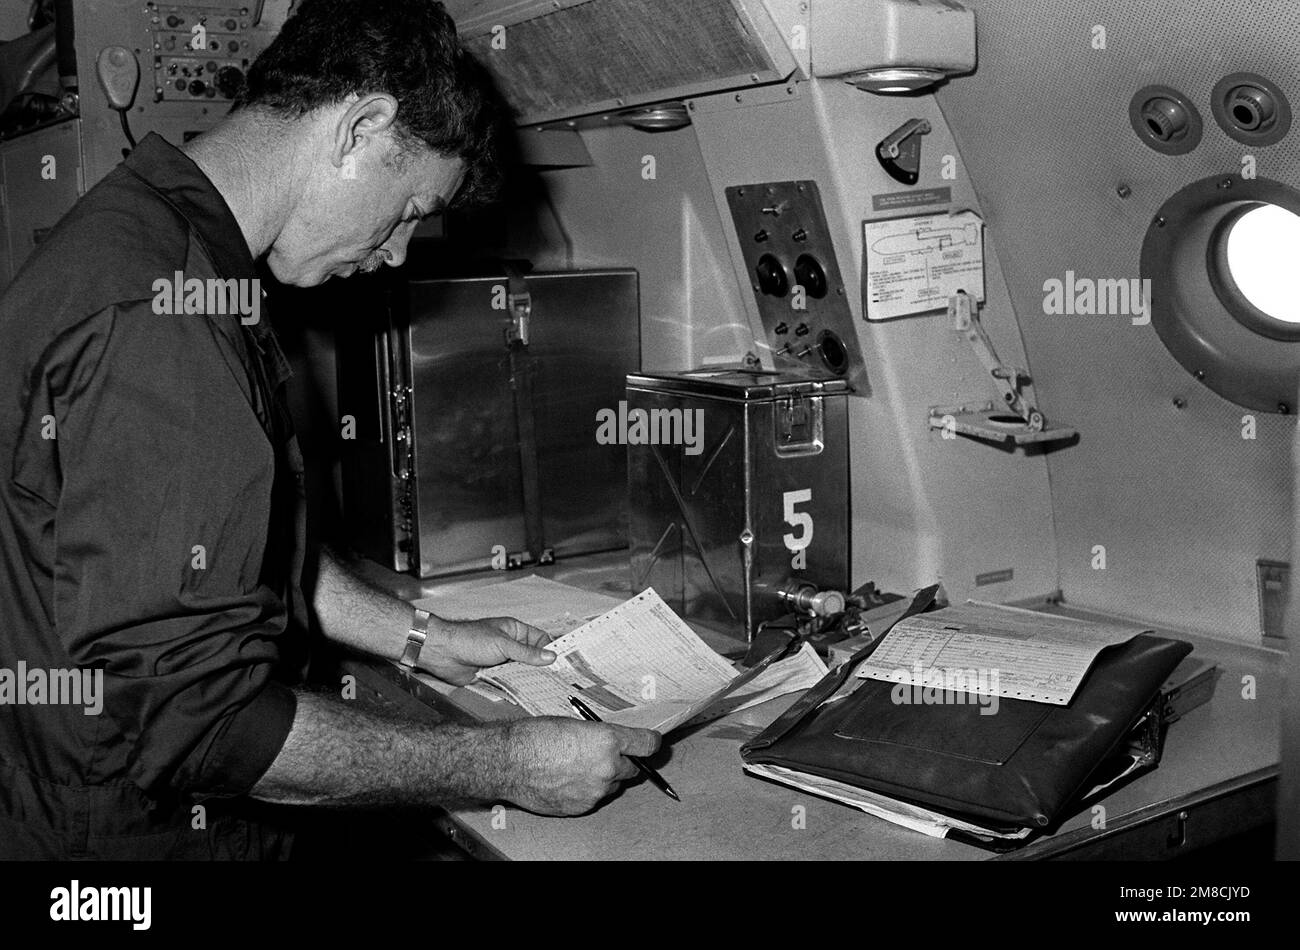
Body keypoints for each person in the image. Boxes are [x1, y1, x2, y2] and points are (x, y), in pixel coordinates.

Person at [0, 0, 659, 860]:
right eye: (410, 207)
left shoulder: (159, 240)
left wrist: (423, 637)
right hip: (128, 839)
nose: (394, 254)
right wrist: (507, 762)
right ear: (361, 128)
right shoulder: (160, 321)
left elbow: (220, 559)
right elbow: (207, 725)